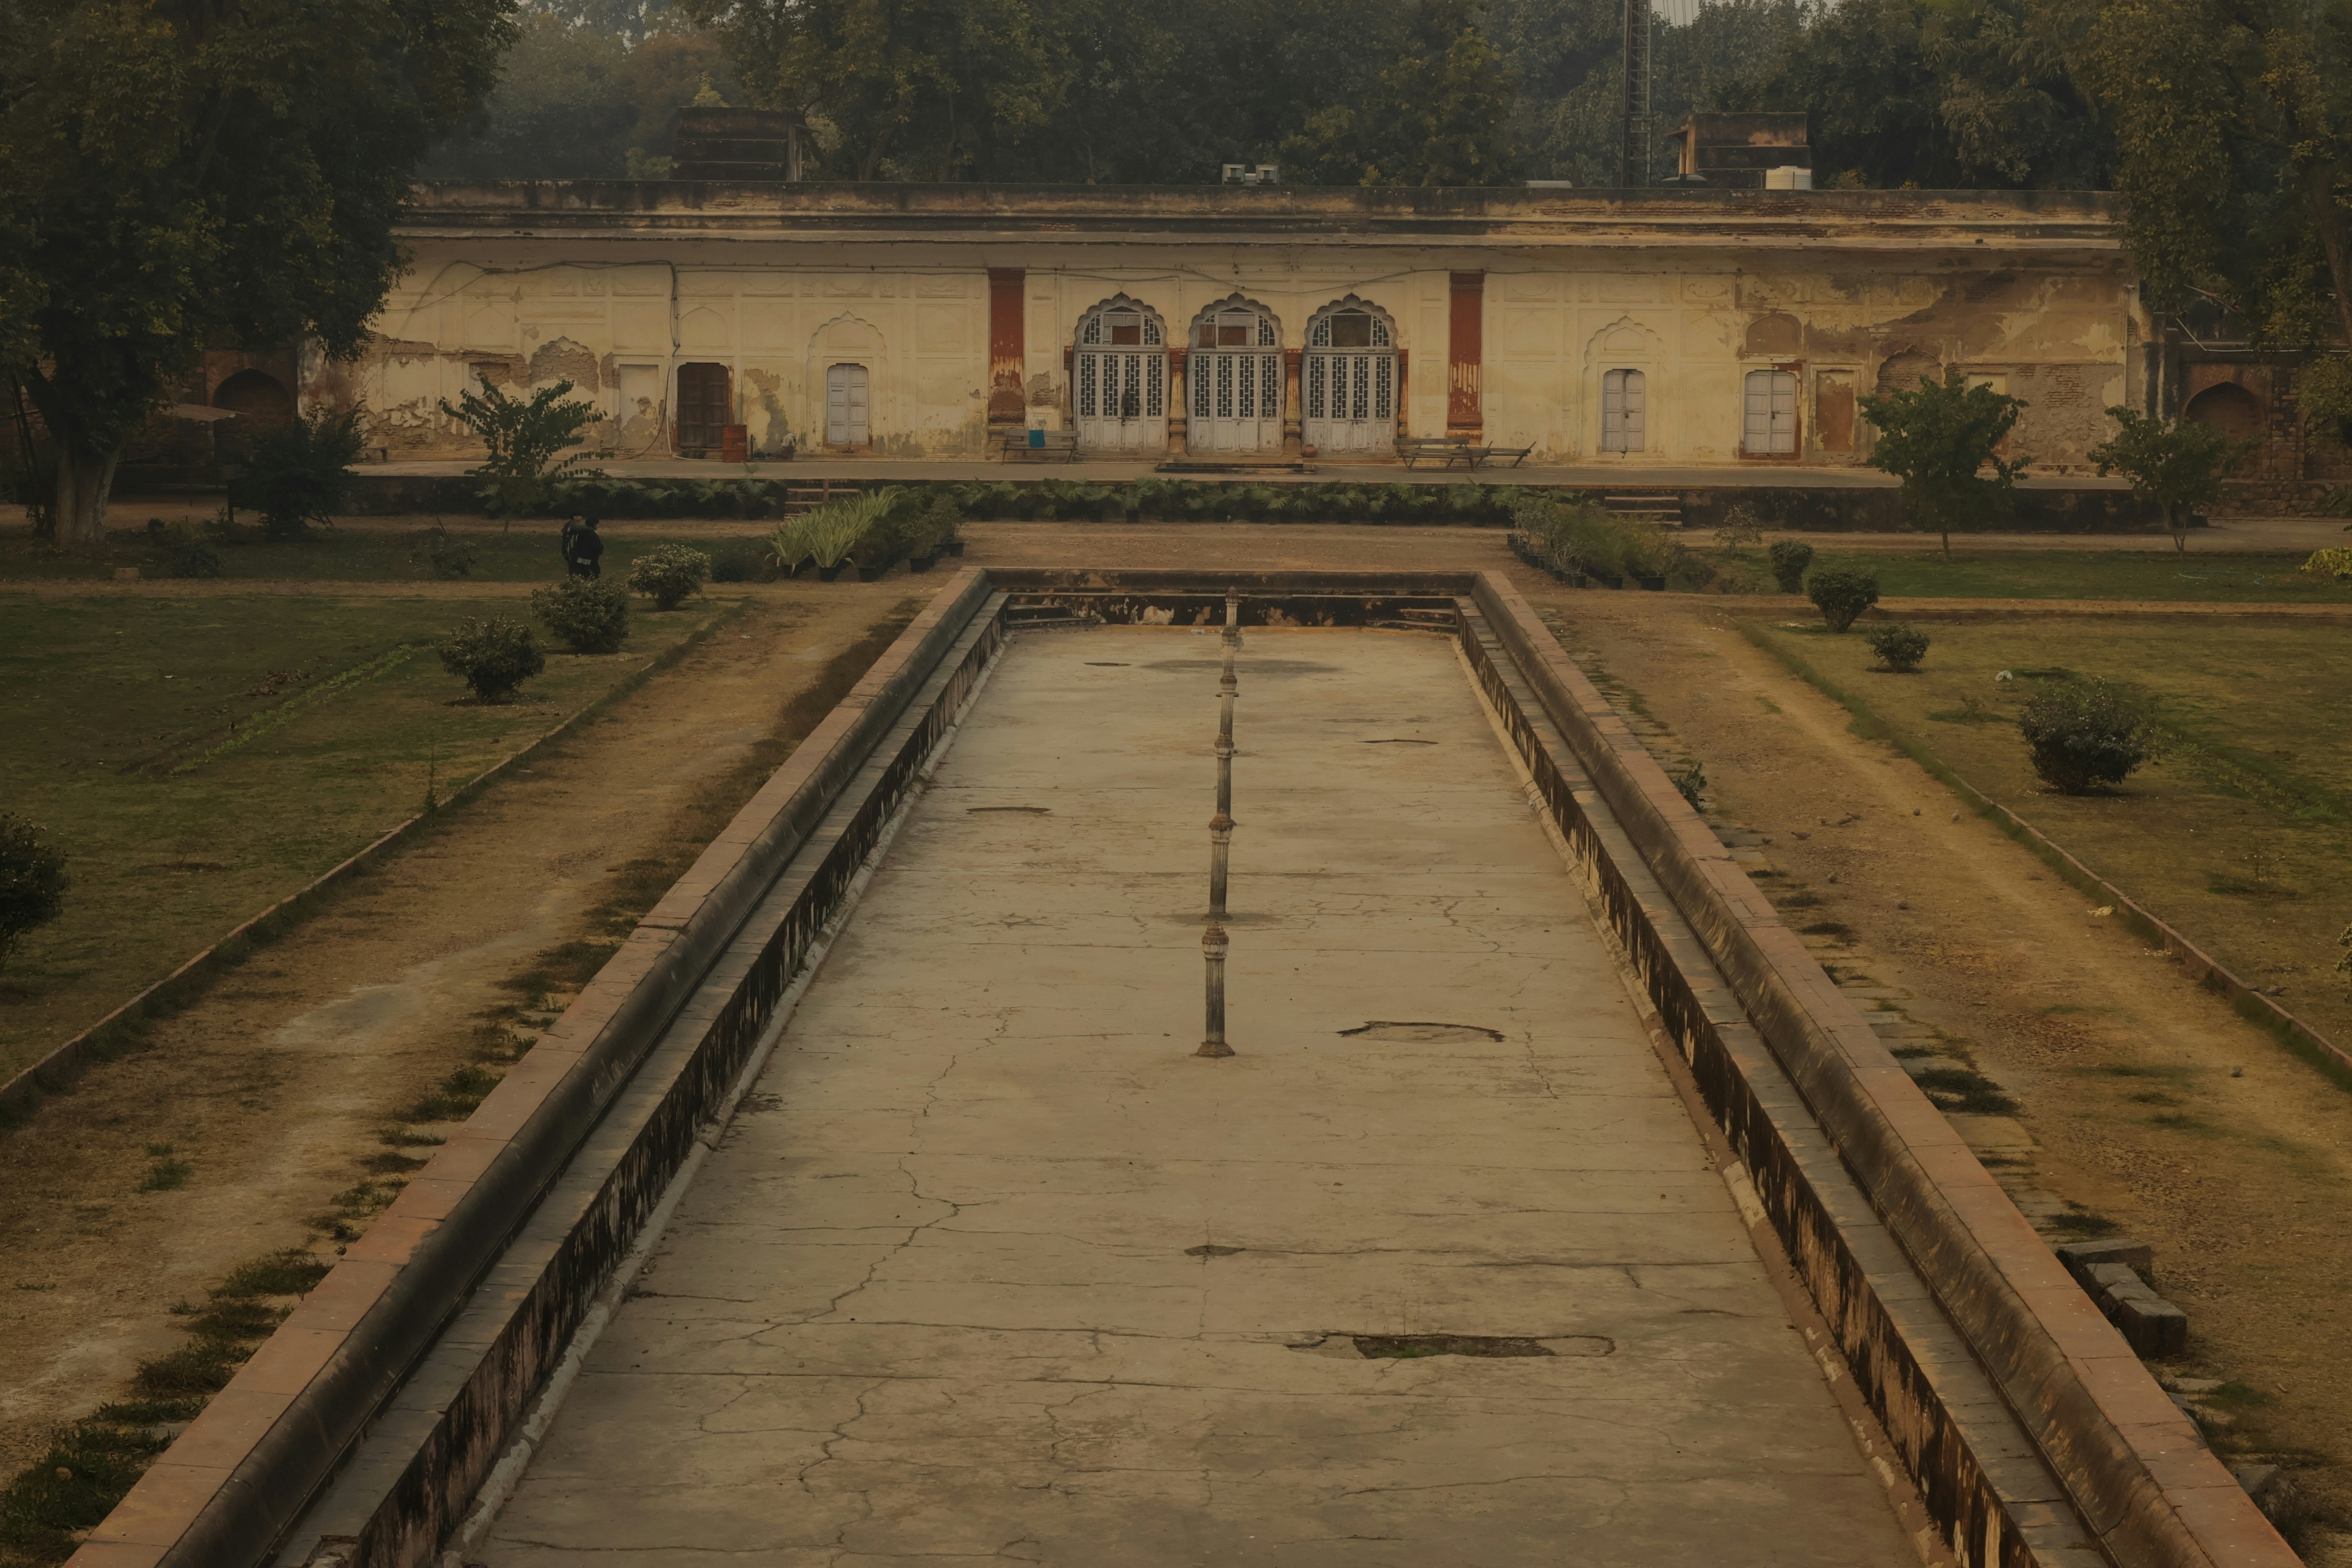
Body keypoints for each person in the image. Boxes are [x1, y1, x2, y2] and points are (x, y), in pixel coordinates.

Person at [561, 515, 604, 579]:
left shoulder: (579, 534)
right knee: (594, 578)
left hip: (580, 562)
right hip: (591, 563)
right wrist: (602, 547)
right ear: (595, 525)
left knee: (581, 579)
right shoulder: (594, 536)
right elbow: (597, 549)